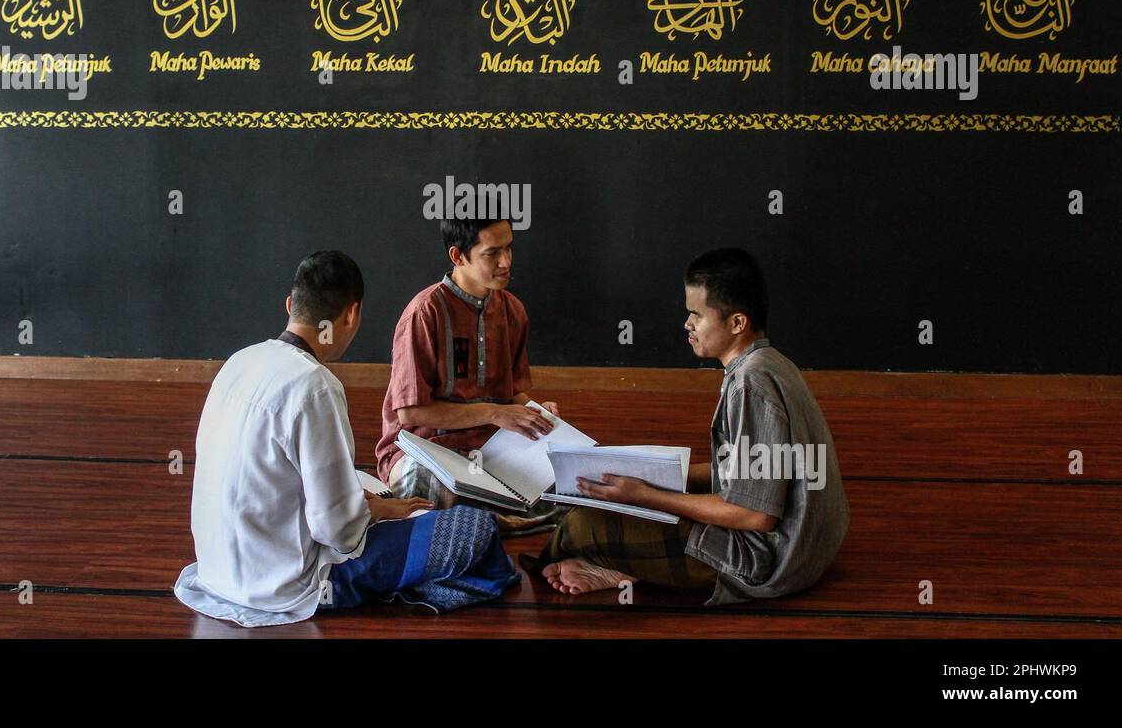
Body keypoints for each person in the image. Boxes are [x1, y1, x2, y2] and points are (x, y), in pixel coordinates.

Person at [173, 250, 520, 628]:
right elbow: (335, 530)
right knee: (475, 527)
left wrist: (357, 504)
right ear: (352, 314)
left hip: (217, 569)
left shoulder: (240, 361)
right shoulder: (315, 386)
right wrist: (374, 512)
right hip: (289, 586)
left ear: (291, 304)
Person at [531, 248, 850, 606]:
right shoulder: (772, 363)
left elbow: (756, 515)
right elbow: (746, 473)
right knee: (608, 501)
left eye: (697, 315)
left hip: (769, 561)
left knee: (581, 526)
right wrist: (657, 476)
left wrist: (647, 495)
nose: (688, 324)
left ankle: (621, 567)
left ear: (737, 323)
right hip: (809, 552)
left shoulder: (751, 383)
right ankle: (633, 565)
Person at [375, 219, 564, 529]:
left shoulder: (513, 311)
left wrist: (536, 412)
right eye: (492, 253)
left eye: (509, 249)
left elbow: (513, 393)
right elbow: (410, 413)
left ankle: (481, 522)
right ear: (457, 256)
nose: (506, 262)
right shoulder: (425, 312)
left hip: (491, 447)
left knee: (571, 479)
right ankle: (500, 519)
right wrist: (494, 413)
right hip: (427, 449)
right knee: (423, 486)